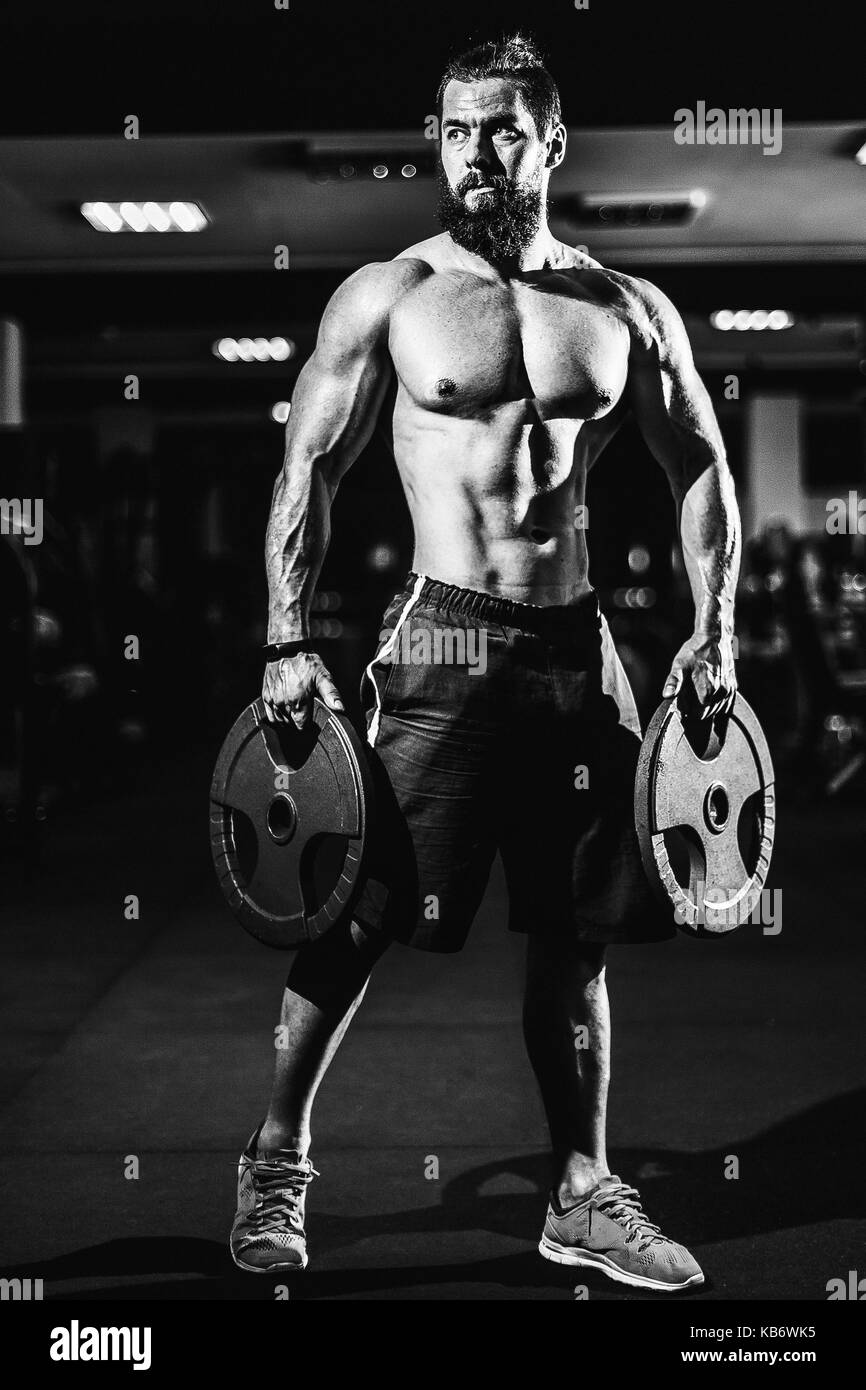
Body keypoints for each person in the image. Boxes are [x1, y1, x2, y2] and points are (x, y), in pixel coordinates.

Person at [230, 32, 740, 1293]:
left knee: (575, 934)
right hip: (443, 632)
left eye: (502, 128)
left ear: (553, 141)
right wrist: (286, 636)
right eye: (456, 130)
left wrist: (711, 624)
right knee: (355, 909)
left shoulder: (623, 308)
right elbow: (309, 469)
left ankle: (578, 1187)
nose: (476, 152)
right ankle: (276, 1160)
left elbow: (701, 472)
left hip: (577, 646)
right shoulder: (389, 293)